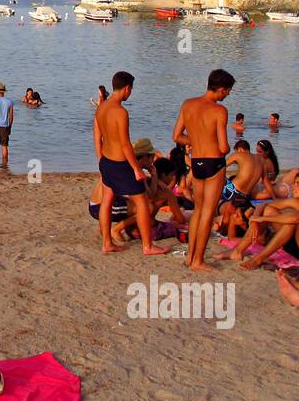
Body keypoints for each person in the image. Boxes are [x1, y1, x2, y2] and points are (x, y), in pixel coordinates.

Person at [171, 69, 235, 270]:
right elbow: (224, 147)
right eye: (228, 91)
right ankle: (198, 260)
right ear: (221, 89)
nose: (227, 95)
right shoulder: (219, 111)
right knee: (208, 212)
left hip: (196, 162)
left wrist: (196, 141)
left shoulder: (188, 104)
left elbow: (177, 136)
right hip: (214, 163)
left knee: (198, 210)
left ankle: (190, 257)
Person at [97, 71, 164, 256]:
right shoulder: (120, 112)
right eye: (131, 89)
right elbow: (126, 144)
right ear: (127, 88)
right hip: (120, 164)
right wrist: (136, 169)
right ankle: (148, 246)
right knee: (142, 202)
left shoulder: (101, 107)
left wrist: (99, 158)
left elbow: (98, 136)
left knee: (107, 201)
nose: (130, 93)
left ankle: (106, 243)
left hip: (106, 160)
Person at [229, 171, 299, 271]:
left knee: (293, 221)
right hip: (298, 248)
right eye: (294, 183)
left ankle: (258, 259)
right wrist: (254, 221)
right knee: (268, 210)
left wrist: (263, 219)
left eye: (297, 184)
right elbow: (263, 205)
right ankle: (238, 251)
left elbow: (295, 219)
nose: (293, 186)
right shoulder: (296, 202)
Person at [223, 139, 262, 204]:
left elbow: (220, 166)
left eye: (236, 151)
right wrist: (274, 197)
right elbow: (266, 181)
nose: (236, 153)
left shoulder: (238, 155)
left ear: (240, 149)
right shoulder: (260, 159)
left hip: (233, 192)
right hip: (246, 196)